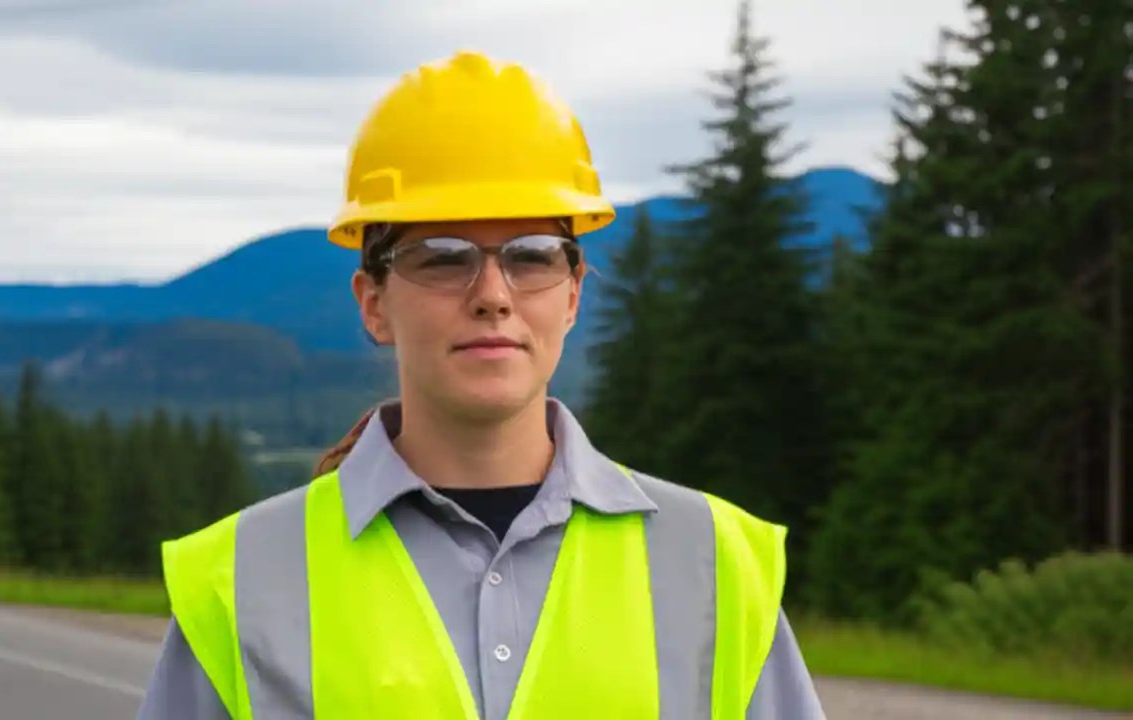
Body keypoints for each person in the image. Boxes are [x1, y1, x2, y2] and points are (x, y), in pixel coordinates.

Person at [136, 49, 826, 720]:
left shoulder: (717, 566)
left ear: (574, 296)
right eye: (441, 258)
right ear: (373, 302)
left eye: (531, 257)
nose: (493, 294)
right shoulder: (240, 581)